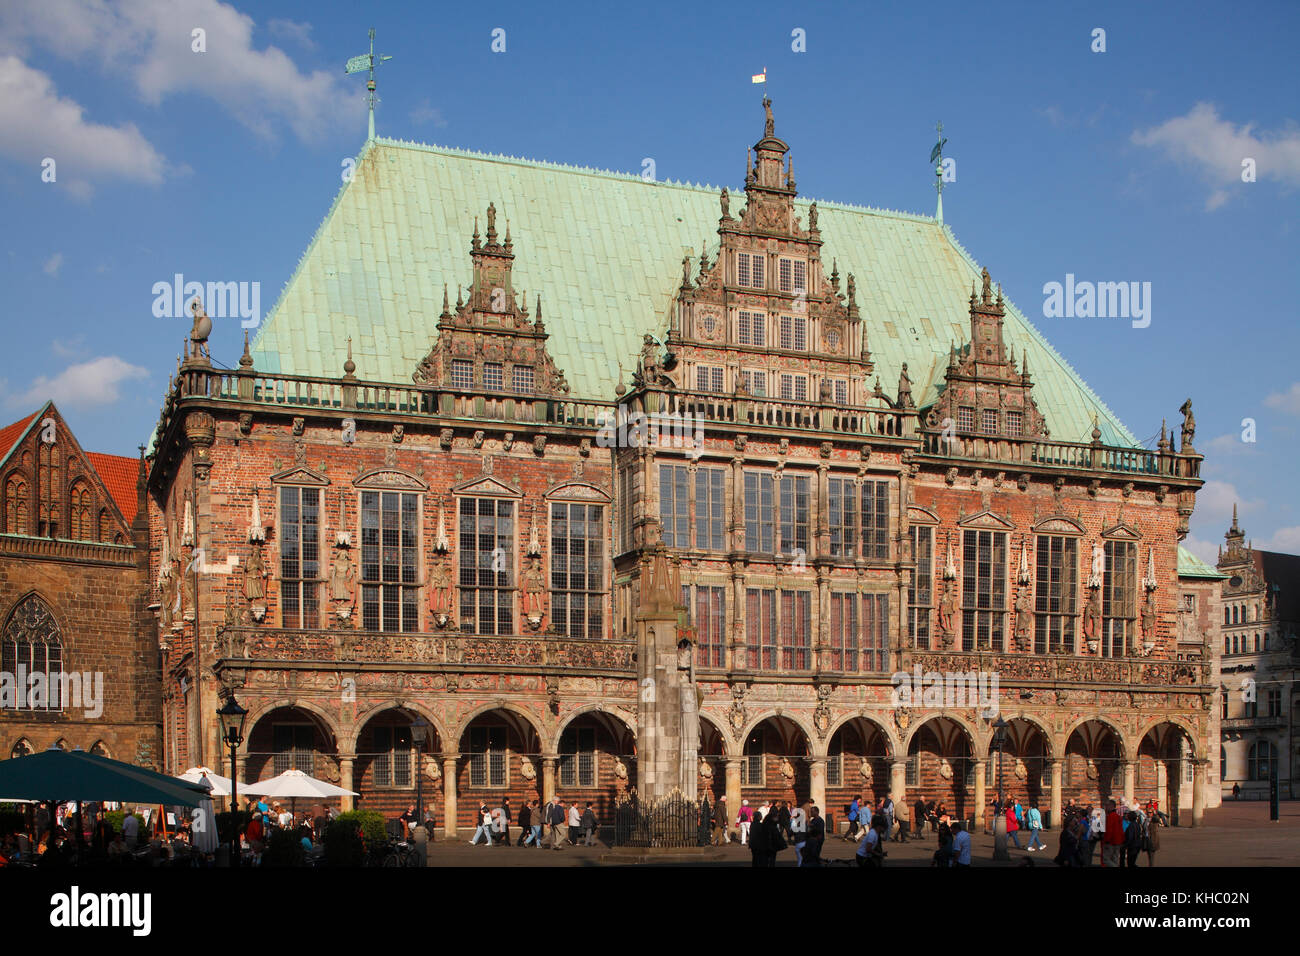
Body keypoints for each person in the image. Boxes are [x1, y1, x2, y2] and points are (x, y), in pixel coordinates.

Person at [1102, 800, 1124, 868]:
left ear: (1111, 806)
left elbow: (1109, 830)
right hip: (1118, 841)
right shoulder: (1118, 816)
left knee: (1106, 860)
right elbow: (1121, 829)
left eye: (1107, 805)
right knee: (1115, 859)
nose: (1105, 807)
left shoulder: (1110, 816)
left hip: (1111, 841)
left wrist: (1106, 841)